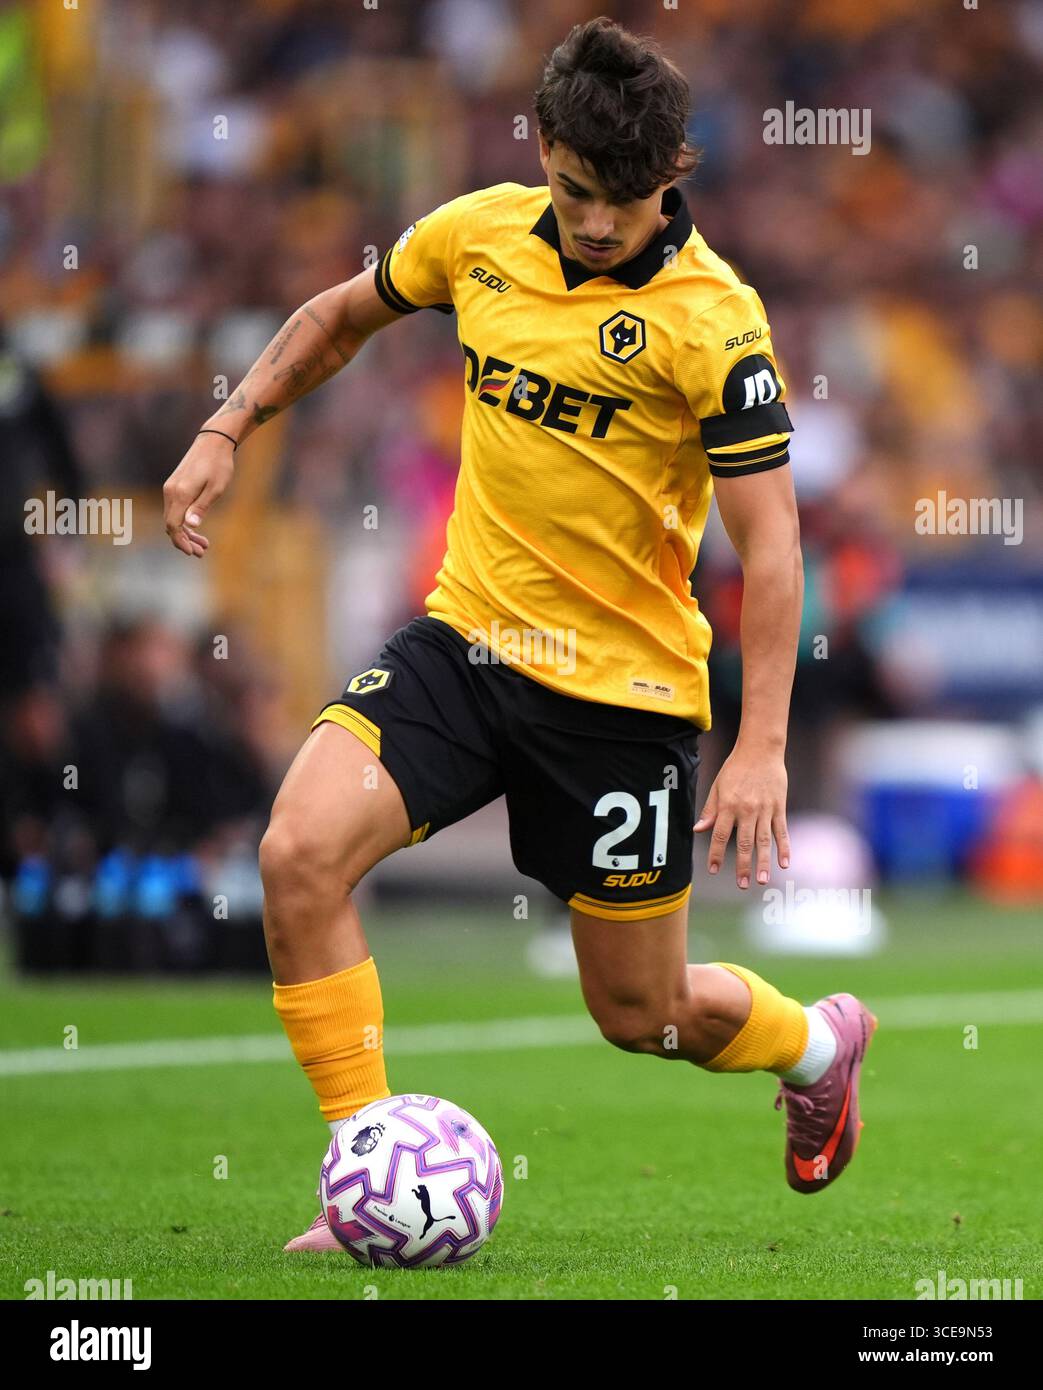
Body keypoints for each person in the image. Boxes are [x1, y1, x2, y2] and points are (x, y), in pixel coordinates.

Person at [162, 17, 876, 1252]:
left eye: (623, 200)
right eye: (573, 188)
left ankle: (816, 1045)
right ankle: (368, 1169)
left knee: (641, 1012)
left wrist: (759, 746)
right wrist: (227, 426)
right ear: (541, 145)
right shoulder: (476, 234)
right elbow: (338, 316)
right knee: (297, 855)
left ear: (674, 173)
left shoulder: (715, 323)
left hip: (622, 698)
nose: (594, 222)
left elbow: (771, 550)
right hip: (468, 644)